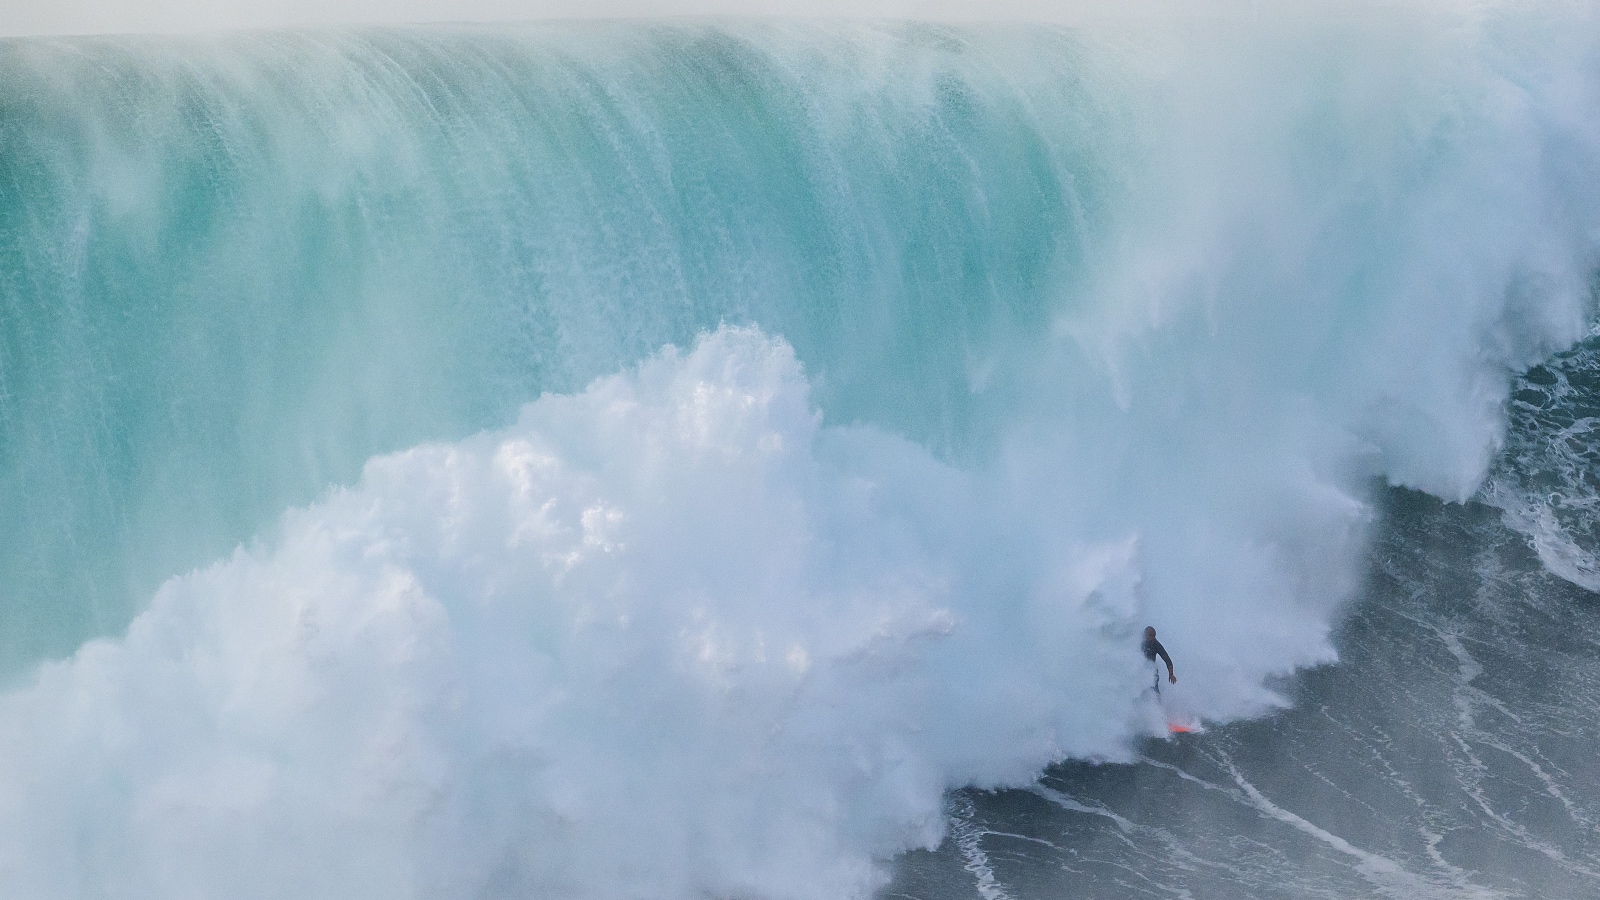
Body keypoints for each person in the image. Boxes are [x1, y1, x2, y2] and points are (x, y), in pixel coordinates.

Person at [1142, 626, 1176, 694]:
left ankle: (1156, 702)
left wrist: (1171, 674)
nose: (1154, 638)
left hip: (1151, 670)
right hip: (1140, 669)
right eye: (1151, 636)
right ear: (1145, 634)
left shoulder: (1156, 644)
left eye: (1154, 636)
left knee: (1154, 688)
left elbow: (1167, 660)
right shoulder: (1137, 641)